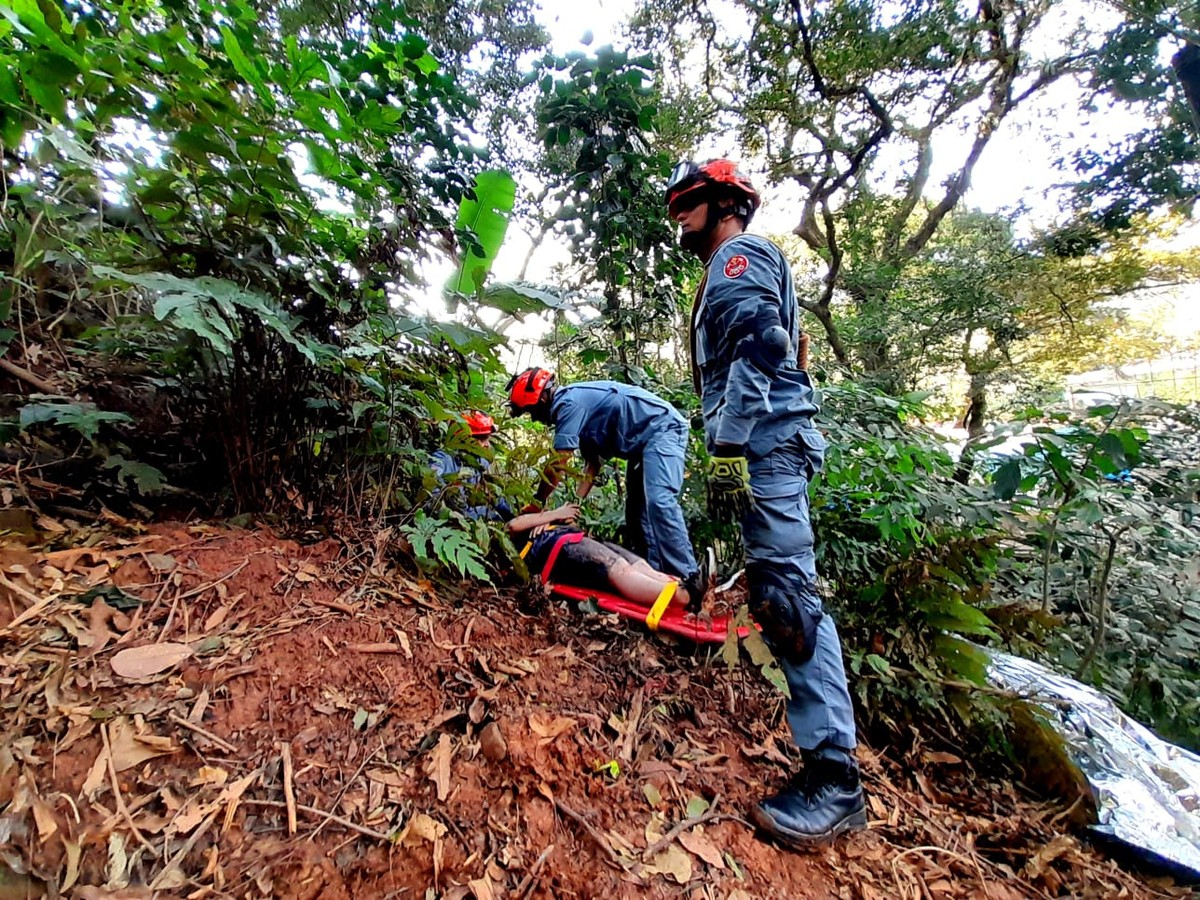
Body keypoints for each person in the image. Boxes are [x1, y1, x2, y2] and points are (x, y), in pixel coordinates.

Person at [666, 158, 865, 847]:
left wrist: (728, 447)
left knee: (787, 600)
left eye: (688, 200)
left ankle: (836, 784)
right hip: (768, 445)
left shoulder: (738, 256)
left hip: (767, 445)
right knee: (778, 592)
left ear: (726, 202)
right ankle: (830, 768)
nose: (678, 212)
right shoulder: (733, 261)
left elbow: (761, 344)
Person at [505, 367, 705, 603]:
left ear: (543, 399)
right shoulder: (582, 417)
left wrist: (539, 505)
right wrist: (573, 507)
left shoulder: (568, 404)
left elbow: (558, 462)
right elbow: (592, 467)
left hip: (662, 430)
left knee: (659, 501)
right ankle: (659, 577)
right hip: (642, 446)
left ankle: (689, 578)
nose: (534, 417)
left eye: (531, 411)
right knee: (636, 512)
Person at [506, 502, 696, 611]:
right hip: (557, 551)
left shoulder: (547, 524)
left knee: (639, 565)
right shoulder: (521, 535)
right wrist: (553, 514)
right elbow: (513, 525)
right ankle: (680, 596)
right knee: (620, 568)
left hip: (571, 541)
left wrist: (555, 519)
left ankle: (686, 585)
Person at [429, 411, 512, 521]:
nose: (487, 444)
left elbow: (491, 493)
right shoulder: (443, 459)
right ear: (464, 438)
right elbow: (430, 490)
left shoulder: (480, 461)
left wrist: (511, 516)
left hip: (466, 511)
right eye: (482, 439)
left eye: (488, 438)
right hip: (447, 518)